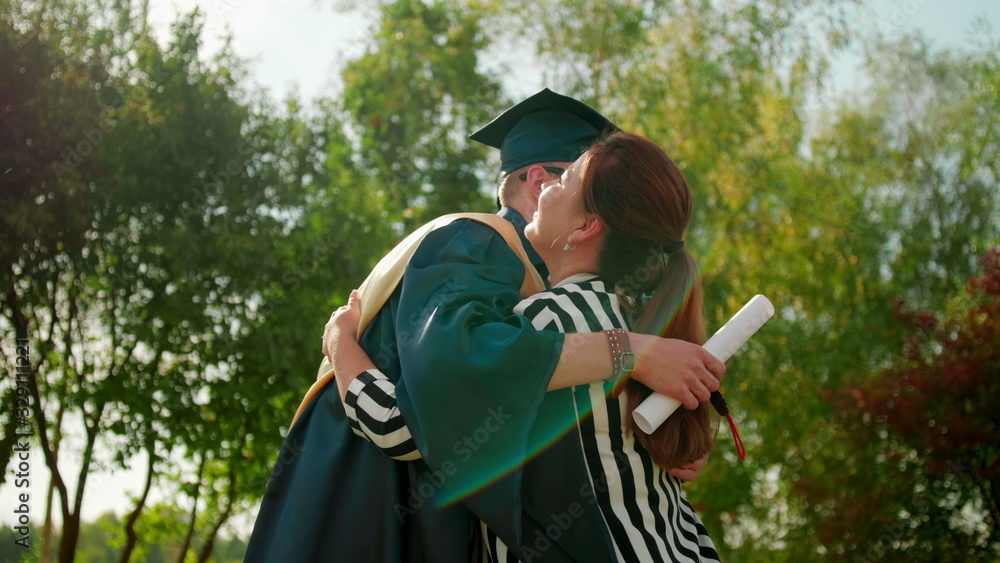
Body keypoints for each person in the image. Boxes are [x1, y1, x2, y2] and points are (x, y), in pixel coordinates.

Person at [246, 89, 725, 562]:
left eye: (569, 181)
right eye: (563, 174)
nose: (550, 193)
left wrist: (338, 340)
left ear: (587, 225)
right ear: (536, 180)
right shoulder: (489, 245)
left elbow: (408, 422)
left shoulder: (553, 310)